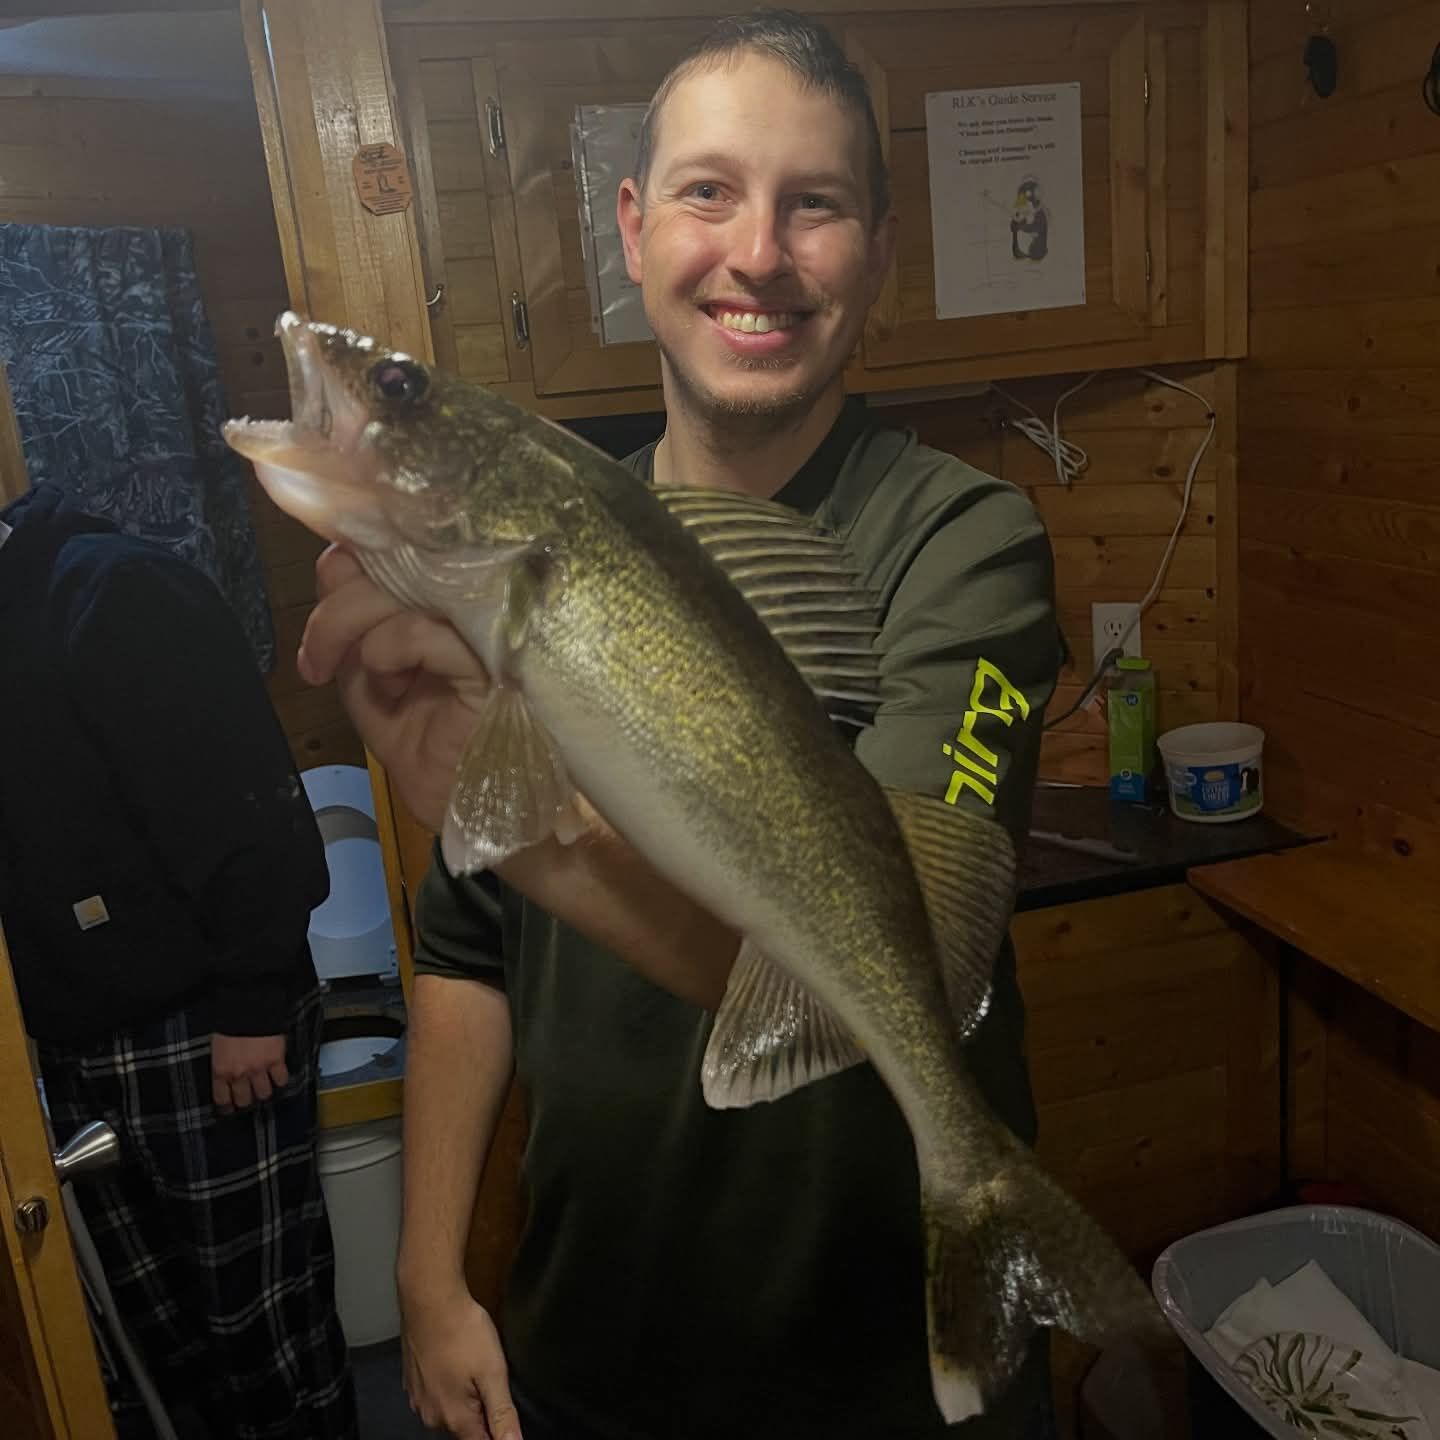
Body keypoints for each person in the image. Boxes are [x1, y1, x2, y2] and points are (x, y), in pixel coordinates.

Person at [297, 10, 1065, 1439]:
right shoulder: (518, 555)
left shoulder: (965, 541)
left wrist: (533, 829)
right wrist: (427, 1273)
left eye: (814, 204)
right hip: (594, 1354)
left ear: (878, 253)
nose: (757, 252)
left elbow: (874, 969)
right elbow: (465, 955)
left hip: (880, 1370)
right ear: (634, 228)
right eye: (709, 191)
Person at [0, 480, 357, 1440]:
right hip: (77, 1042)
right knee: (162, 1344)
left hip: (209, 1025)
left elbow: (250, 804)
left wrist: (252, 1003)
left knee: (262, 1327)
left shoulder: (110, 590)